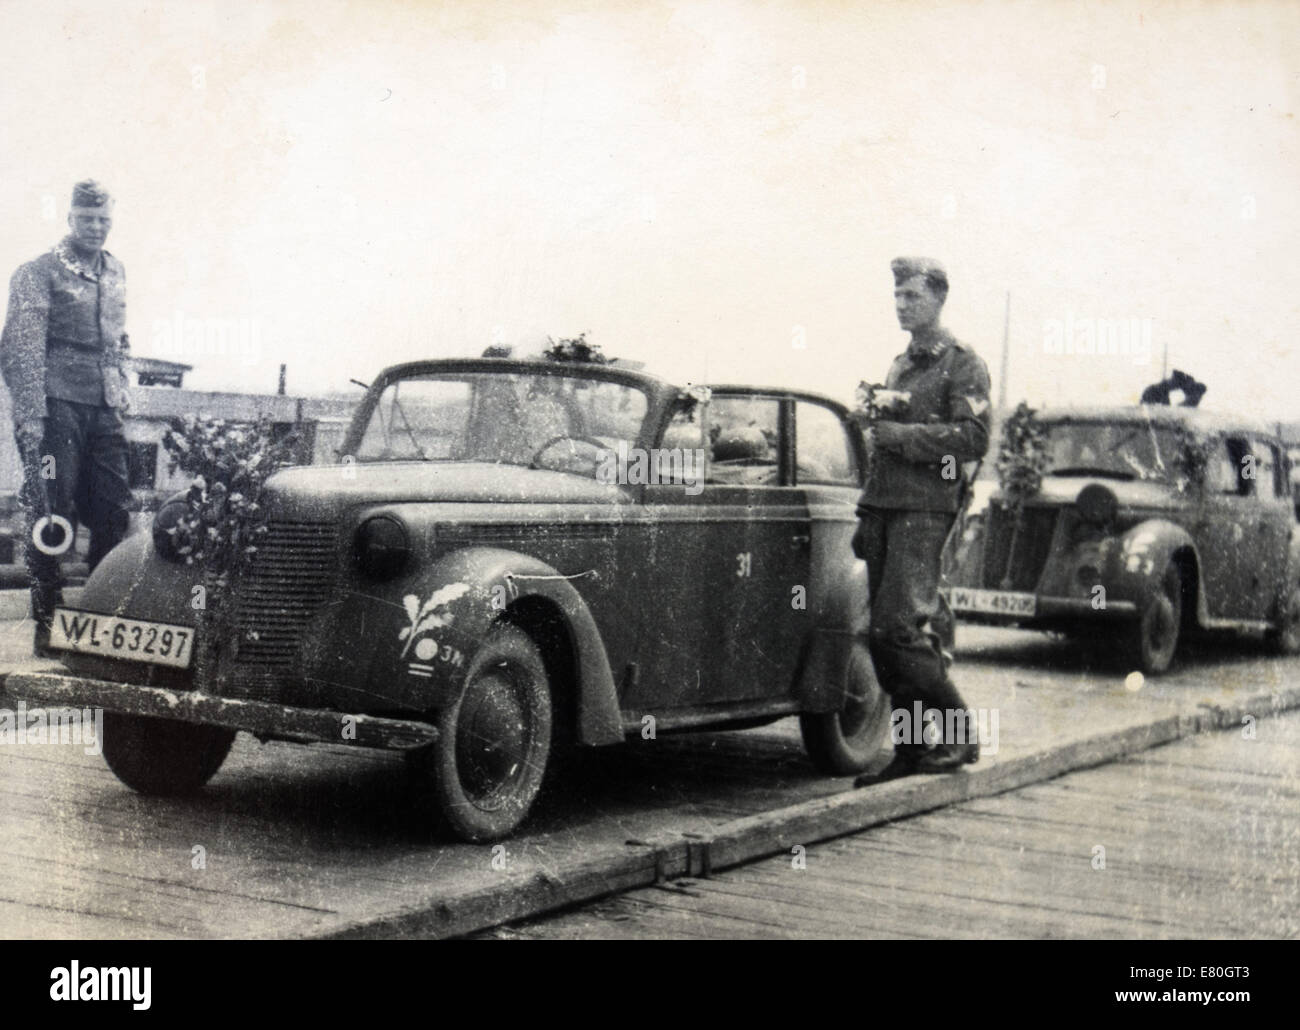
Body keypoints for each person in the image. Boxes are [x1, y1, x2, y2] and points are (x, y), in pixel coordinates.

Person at [852, 257, 991, 778]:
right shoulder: (901, 364)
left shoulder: (963, 364)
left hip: (925, 510)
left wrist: (903, 437)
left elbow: (974, 439)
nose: (901, 305)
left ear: (938, 299)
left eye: (911, 296)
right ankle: (912, 749)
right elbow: (885, 444)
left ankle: (960, 736)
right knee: (884, 634)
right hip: (886, 508)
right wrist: (867, 509)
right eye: (897, 296)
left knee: (898, 629)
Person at [1, 179, 132, 655]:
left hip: (104, 406)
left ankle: (99, 625)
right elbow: (21, 347)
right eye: (87, 218)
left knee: (114, 511)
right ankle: (47, 624)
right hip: (56, 405)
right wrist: (32, 416)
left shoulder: (116, 271)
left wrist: (122, 388)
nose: (96, 227)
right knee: (51, 513)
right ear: (70, 218)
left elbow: (118, 338)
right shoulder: (38, 272)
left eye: (104, 220)